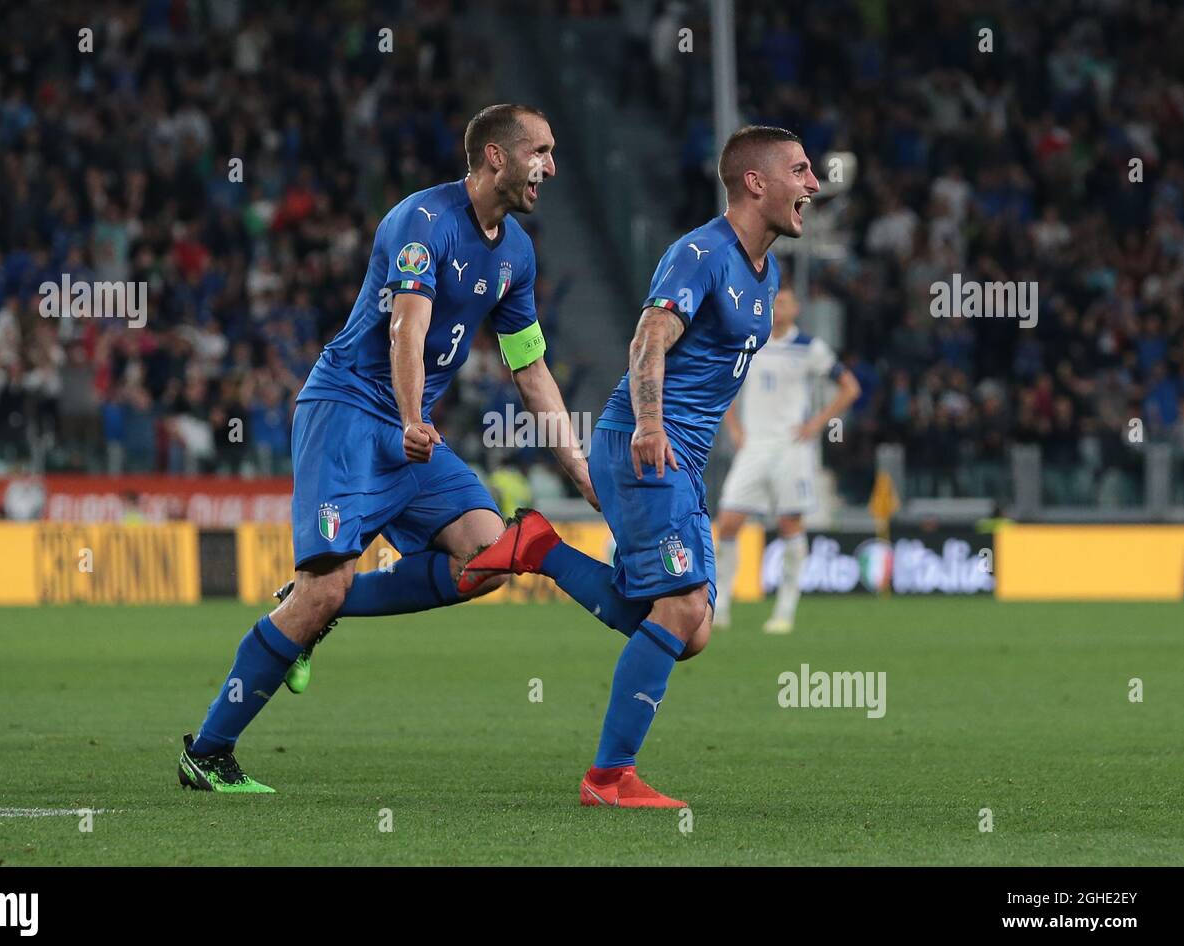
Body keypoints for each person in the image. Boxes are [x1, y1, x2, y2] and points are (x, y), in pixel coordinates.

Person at [178, 105, 596, 793]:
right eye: (541, 152)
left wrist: (575, 464)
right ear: (496, 155)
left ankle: (323, 603)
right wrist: (409, 417)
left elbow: (531, 367)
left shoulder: (517, 251)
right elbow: (408, 328)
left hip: (410, 427)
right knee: (325, 587)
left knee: (488, 555)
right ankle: (209, 751)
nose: (551, 167)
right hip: (348, 413)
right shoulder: (420, 222)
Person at [461, 126, 819, 808]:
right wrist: (652, 425)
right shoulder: (701, 254)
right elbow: (649, 336)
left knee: (692, 629)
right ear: (755, 182)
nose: (813, 184)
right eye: (800, 171)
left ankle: (540, 548)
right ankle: (607, 777)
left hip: (673, 458)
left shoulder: (764, 271)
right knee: (683, 609)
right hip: (645, 443)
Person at [712, 285, 860, 632]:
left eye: (785, 301)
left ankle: (785, 610)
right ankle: (721, 606)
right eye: (774, 301)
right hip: (754, 446)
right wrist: (733, 427)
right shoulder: (750, 342)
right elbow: (727, 385)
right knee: (729, 520)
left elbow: (850, 387)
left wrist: (817, 424)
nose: (778, 306)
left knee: (789, 525)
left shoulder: (810, 348)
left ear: (796, 308)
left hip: (791, 448)